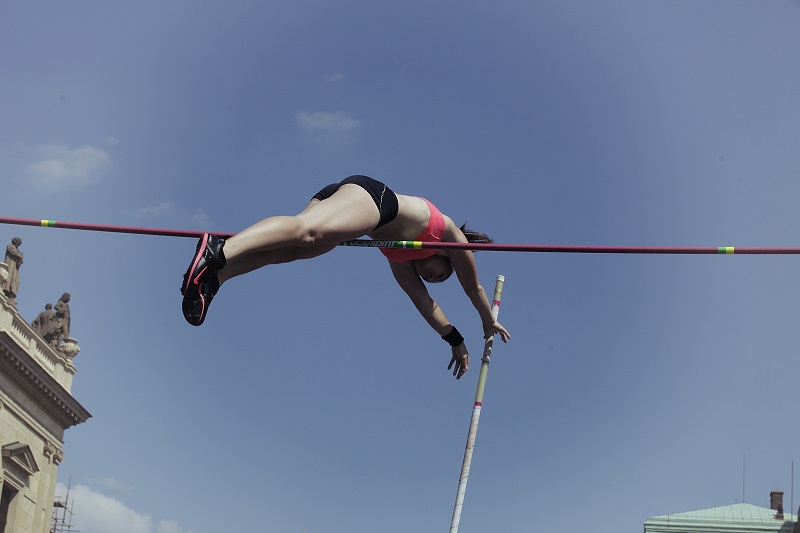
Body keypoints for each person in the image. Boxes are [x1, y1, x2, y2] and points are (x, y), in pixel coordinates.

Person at [181, 175, 510, 379]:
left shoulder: (399, 257)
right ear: (447, 257)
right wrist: (487, 320)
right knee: (307, 232)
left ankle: (216, 277)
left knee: (298, 248)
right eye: (439, 275)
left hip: (348, 203)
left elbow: (423, 302)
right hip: (372, 197)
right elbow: (473, 286)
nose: (430, 278)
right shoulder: (450, 234)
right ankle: (219, 250)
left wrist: (455, 340)